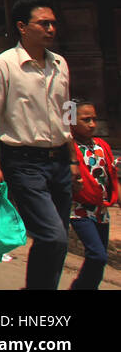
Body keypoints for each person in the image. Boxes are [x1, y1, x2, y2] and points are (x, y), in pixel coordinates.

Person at [0, 0, 72, 290]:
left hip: (60, 162)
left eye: (53, 23)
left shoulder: (61, 64)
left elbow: (67, 110)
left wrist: (75, 159)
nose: (51, 29)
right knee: (53, 236)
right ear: (22, 27)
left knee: (58, 241)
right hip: (24, 163)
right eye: (43, 23)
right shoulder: (3, 66)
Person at [66, 99, 115, 290]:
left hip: (101, 211)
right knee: (97, 255)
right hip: (79, 210)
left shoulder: (101, 146)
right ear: (70, 120)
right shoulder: (69, 150)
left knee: (100, 261)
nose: (92, 124)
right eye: (86, 120)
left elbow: (109, 173)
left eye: (94, 119)